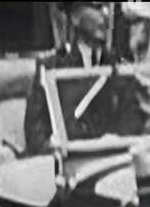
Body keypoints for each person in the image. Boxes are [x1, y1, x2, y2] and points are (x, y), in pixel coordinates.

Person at [23, 0, 130, 153]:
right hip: (70, 165)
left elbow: (131, 120)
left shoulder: (119, 69)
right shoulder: (52, 67)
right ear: (75, 16)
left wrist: (117, 140)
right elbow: (35, 134)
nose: (106, 15)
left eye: (107, 7)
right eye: (97, 7)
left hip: (111, 164)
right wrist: (54, 149)